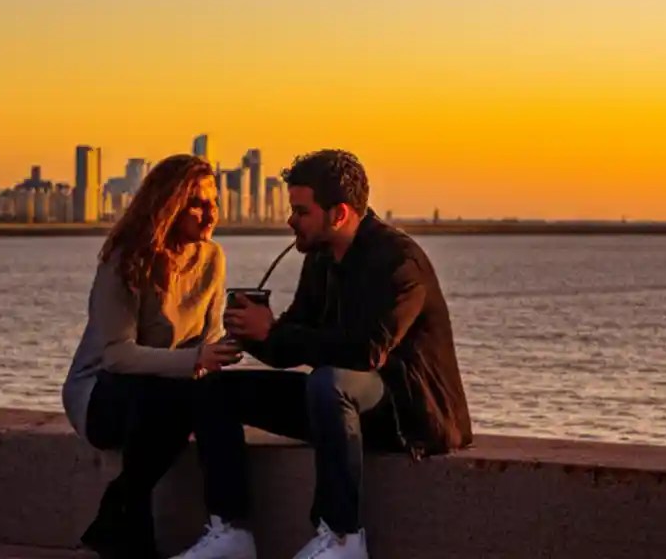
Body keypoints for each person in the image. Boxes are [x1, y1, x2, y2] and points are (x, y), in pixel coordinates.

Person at [173, 149, 472, 559]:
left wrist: (276, 331)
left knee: (328, 380)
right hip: (336, 406)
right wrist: (253, 334)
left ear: (339, 213)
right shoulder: (320, 257)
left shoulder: (399, 262)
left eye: (301, 211)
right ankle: (232, 534)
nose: (290, 220)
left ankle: (344, 538)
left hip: (409, 414)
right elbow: (292, 340)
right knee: (214, 391)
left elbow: (367, 352)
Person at [62, 154, 246, 559]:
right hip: (102, 395)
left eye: (214, 200)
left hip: (165, 394)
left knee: (207, 395)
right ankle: (125, 516)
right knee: (156, 397)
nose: (210, 212)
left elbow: (207, 336)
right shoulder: (126, 260)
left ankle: (124, 517)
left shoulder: (212, 258)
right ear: (168, 205)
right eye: (196, 202)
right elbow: (115, 356)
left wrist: (237, 342)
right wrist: (195, 360)